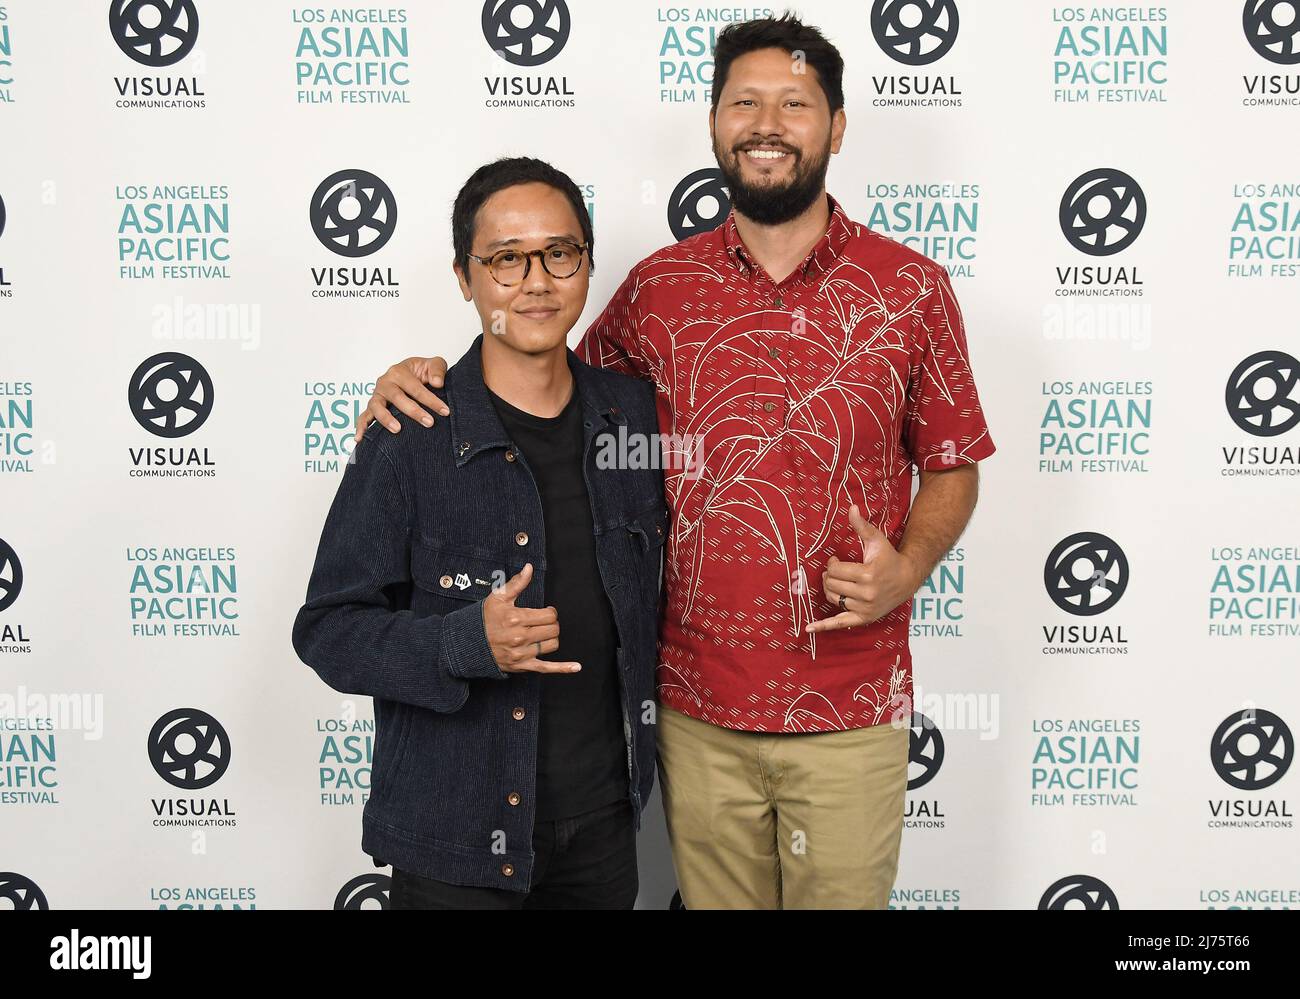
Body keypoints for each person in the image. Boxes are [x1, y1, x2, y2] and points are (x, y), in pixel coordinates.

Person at [351, 13, 996, 909]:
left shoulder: (912, 288)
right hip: (691, 713)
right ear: (715, 123)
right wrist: (420, 379)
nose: (767, 123)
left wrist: (910, 566)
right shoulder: (656, 291)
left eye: (796, 103)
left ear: (837, 126)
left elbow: (955, 461)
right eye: (745, 102)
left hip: (848, 705)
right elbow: (544, 377)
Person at [292, 157, 665, 909]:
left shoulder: (635, 418)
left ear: (586, 265)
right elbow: (327, 630)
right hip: (455, 841)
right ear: (466, 277)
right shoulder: (410, 431)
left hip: (604, 834)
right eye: (505, 259)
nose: (536, 281)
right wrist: (464, 644)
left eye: (560, 253)